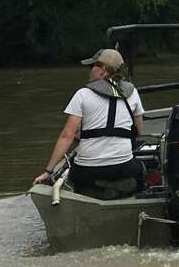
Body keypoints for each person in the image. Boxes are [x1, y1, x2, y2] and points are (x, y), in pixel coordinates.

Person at [33, 48, 147, 199]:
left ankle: (93, 192)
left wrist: (48, 172)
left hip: (88, 171)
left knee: (74, 174)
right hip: (123, 168)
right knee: (142, 170)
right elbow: (138, 131)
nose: (89, 71)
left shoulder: (82, 94)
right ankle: (118, 190)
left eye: (91, 66)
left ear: (102, 70)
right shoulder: (132, 93)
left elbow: (67, 136)